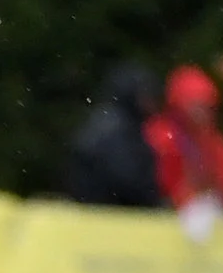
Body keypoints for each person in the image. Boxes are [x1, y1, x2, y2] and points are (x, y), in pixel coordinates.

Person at [146, 63, 223, 238]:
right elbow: (161, 183)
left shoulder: (215, 143)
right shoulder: (162, 135)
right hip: (169, 216)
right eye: (196, 105)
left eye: (207, 106)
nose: (202, 112)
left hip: (210, 218)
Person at [62, 63, 164, 208]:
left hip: (98, 210)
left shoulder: (109, 121)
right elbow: (126, 180)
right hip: (106, 213)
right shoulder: (116, 129)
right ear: (132, 95)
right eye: (145, 94)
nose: (150, 102)